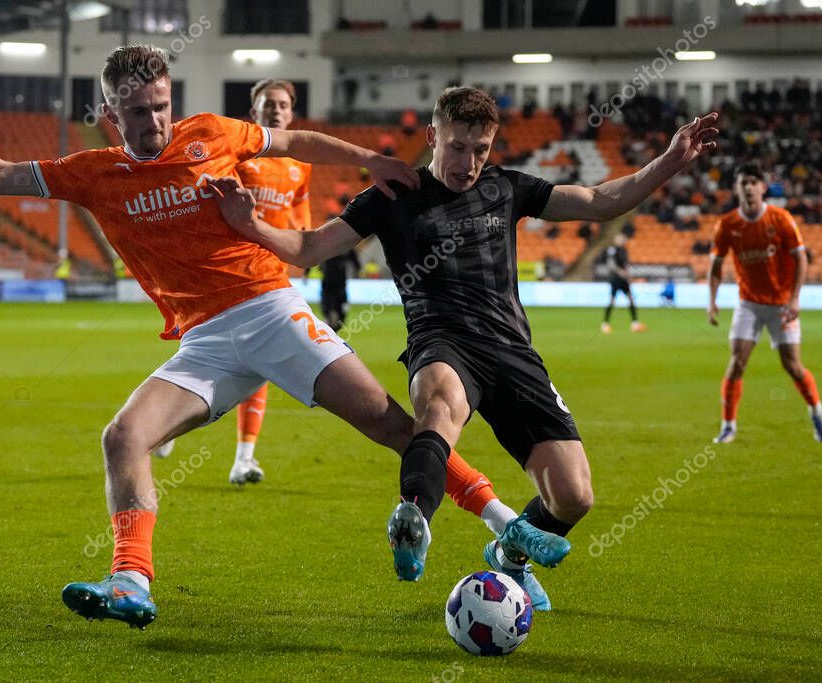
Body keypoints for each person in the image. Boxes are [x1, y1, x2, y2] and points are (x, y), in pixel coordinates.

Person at [0, 47, 535, 629]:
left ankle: (507, 527)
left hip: (268, 308)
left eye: (160, 106)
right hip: (204, 341)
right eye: (138, 111)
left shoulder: (209, 133)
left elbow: (294, 140)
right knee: (123, 437)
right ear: (111, 113)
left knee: (392, 426)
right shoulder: (92, 172)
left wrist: (369, 159)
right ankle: (131, 580)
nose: (154, 121)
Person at [209, 87, 719, 610]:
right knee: (438, 409)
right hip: (441, 340)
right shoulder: (390, 196)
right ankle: (414, 518)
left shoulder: (507, 188)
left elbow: (601, 201)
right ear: (432, 137)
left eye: (481, 149)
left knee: (574, 496)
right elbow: (311, 247)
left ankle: (508, 555)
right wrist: (251, 225)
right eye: (457, 147)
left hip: (513, 351)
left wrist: (671, 160)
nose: (469, 162)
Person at [152, 78, 313, 488]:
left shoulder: (300, 166)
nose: (275, 111)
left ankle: (242, 458)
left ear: (291, 114)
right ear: (254, 113)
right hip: (230, 279)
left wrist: (303, 254)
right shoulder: (237, 156)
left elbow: (300, 215)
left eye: (282, 105)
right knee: (228, 363)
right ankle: (172, 427)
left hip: (271, 277)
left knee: (258, 369)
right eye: (267, 105)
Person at [708, 163, 822, 444]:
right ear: (737, 189)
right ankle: (728, 426)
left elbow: (801, 258)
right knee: (737, 362)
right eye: (743, 182)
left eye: (754, 182)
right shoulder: (727, 225)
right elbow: (715, 265)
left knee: (792, 365)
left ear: (763, 187)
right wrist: (712, 301)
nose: (749, 187)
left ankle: (816, 410)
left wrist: (794, 297)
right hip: (748, 303)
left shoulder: (781, 219)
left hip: (781, 304)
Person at [600, 233, 645, 333]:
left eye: (623, 239)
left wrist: (628, 276)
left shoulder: (624, 250)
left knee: (631, 299)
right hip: (615, 278)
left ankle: (635, 323)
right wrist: (620, 272)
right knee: (612, 300)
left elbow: (625, 265)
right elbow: (611, 264)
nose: (622, 240)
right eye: (620, 239)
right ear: (616, 240)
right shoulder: (612, 250)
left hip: (624, 279)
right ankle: (605, 323)